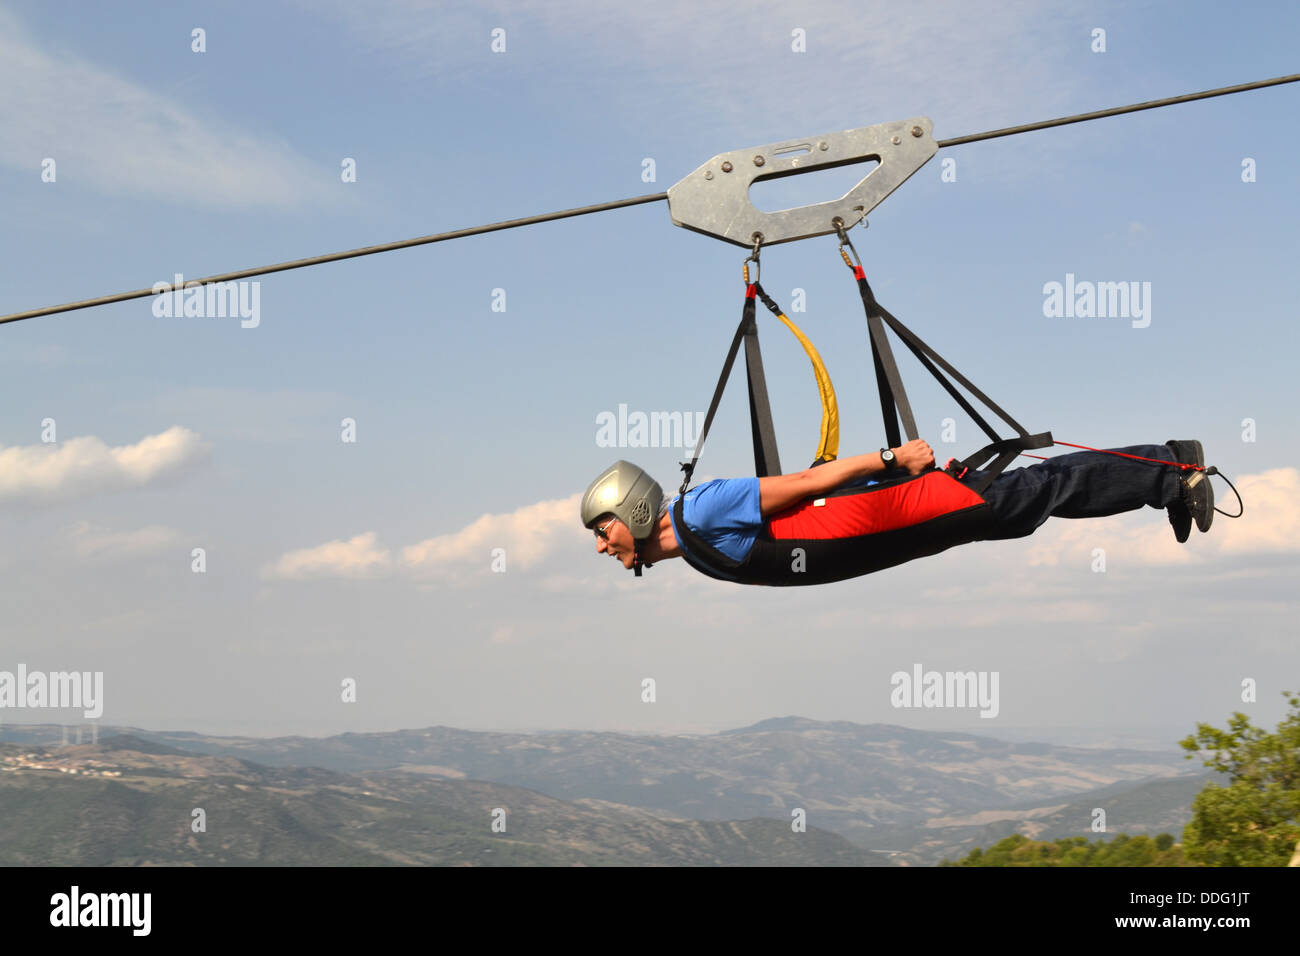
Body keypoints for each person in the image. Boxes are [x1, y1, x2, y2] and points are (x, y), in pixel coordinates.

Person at [580, 439, 1214, 579]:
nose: (601, 545)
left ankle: (1174, 469)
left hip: (904, 507)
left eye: (602, 530)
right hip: (901, 531)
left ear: (631, 512)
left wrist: (890, 459)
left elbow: (805, 482)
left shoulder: (704, 510)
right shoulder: (696, 554)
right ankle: (1163, 480)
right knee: (1021, 509)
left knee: (1023, 497)